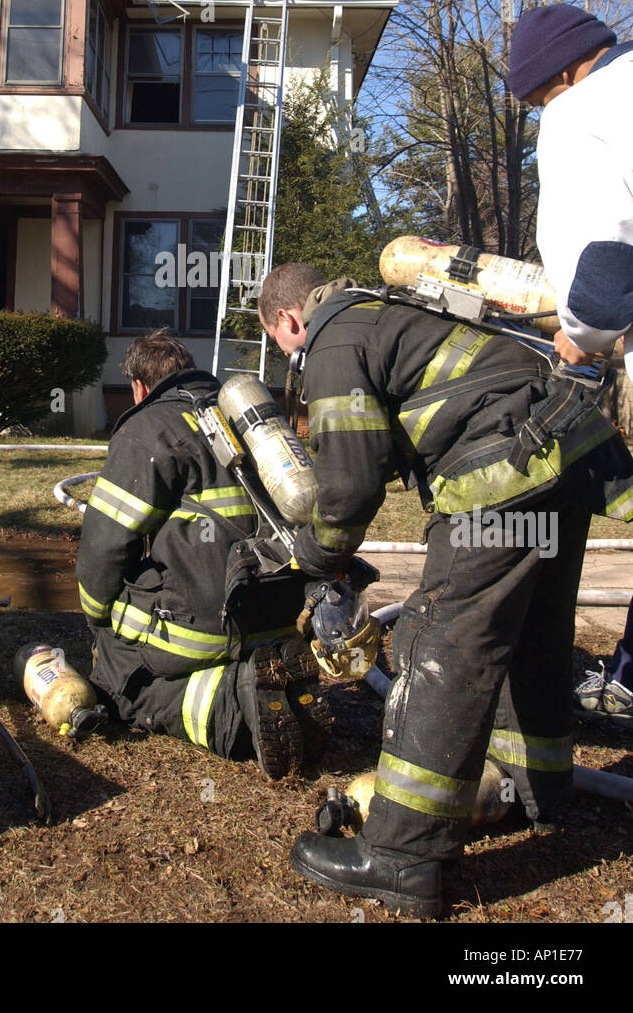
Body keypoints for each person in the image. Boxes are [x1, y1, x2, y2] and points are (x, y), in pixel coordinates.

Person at [257, 262, 633, 916]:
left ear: (288, 319)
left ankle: (400, 858)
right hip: (562, 453)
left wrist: (315, 560)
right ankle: (535, 788)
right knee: (531, 634)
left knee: (442, 649)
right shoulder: (392, 309)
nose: (294, 359)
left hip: (500, 476)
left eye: (285, 345)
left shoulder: (334, 337)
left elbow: (349, 485)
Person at [75, 329, 325, 776]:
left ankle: (231, 705)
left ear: (138, 386)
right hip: (280, 611)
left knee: (119, 682)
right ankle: (282, 686)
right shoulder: (249, 420)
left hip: (213, 625)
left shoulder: (147, 429)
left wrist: (98, 619)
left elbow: (106, 546)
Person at [508, 2, 633, 726]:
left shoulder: (582, 108)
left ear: (560, 71)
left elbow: (606, 249)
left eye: (534, 100)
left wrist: (580, 333)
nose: (536, 116)